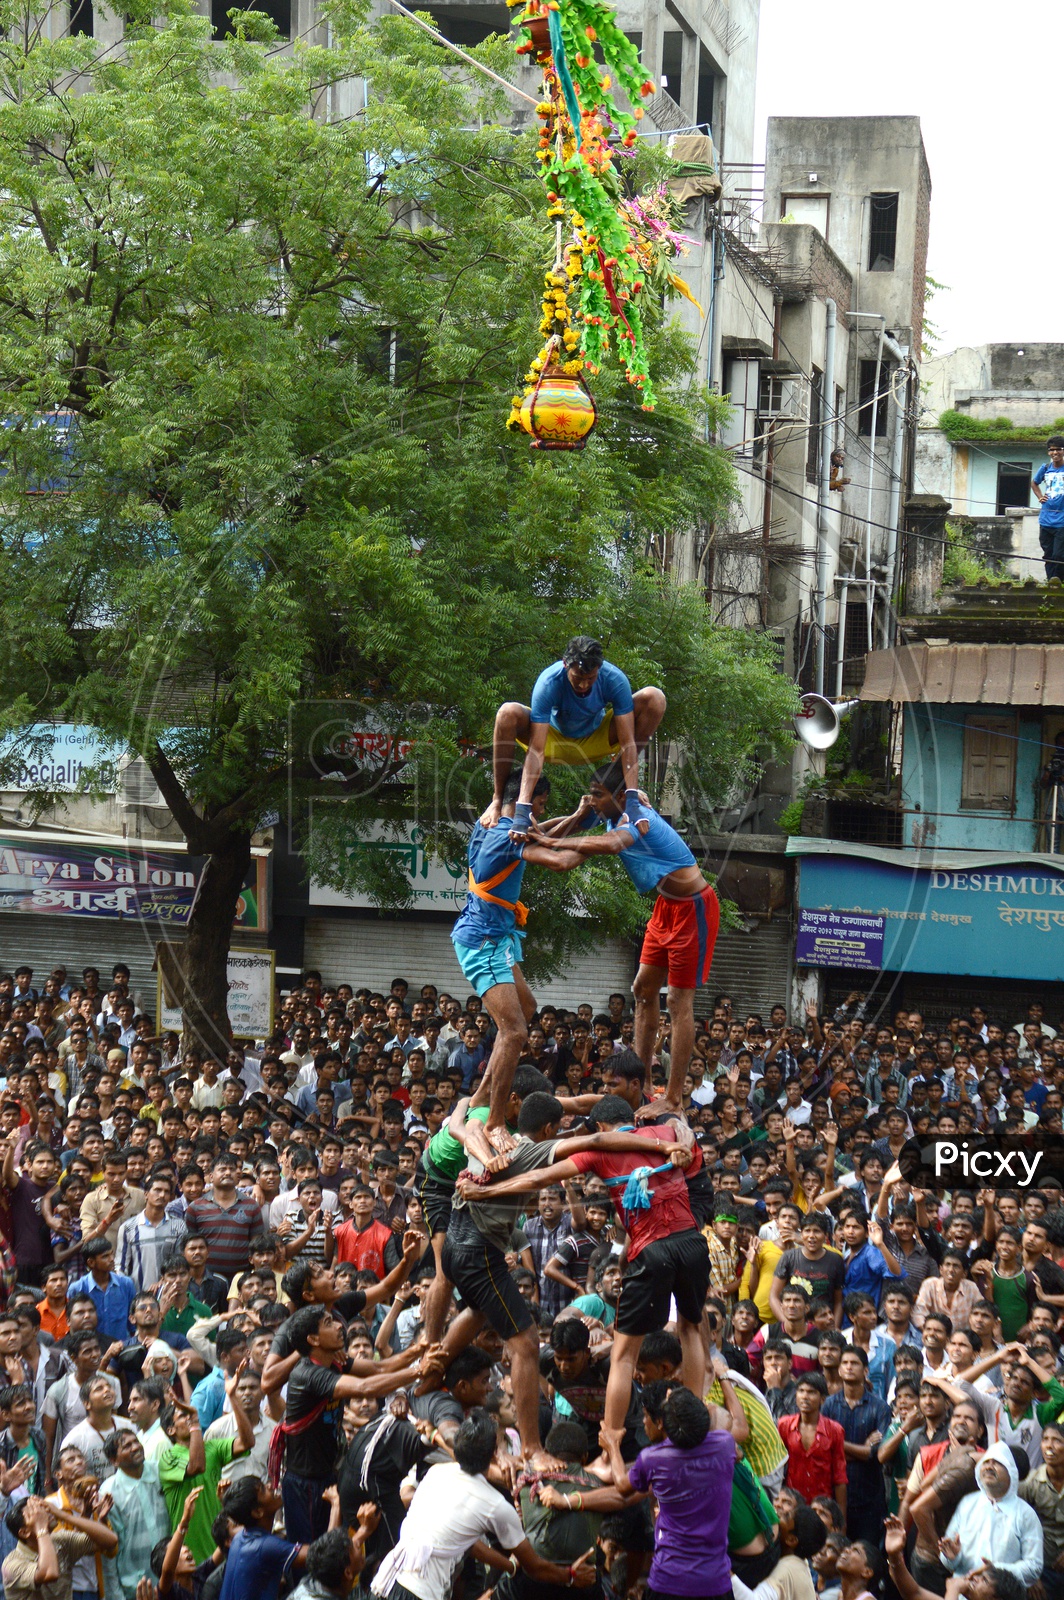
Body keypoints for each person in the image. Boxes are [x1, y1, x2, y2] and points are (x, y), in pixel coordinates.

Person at [452, 1091, 698, 1442]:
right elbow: (681, 1123)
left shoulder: (484, 1132)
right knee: (691, 1328)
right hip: (691, 1240)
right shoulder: (665, 1129)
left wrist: (486, 1191)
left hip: (650, 1250)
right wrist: (671, 1144)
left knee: (624, 1353)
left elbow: (540, 1177)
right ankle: (696, 1407)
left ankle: (610, 1437)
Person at [532, 771, 719, 1115]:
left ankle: (674, 1098)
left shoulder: (637, 817)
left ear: (620, 795)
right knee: (643, 991)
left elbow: (607, 844)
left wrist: (552, 842)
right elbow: (572, 831)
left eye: (597, 796)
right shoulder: (608, 809)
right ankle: (644, 1081)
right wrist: (542, 833)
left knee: (677, 1000)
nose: (592, 801)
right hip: (665, 907)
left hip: (693, 908)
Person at [369, 1410, 596, 1600]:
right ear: (495, 1454)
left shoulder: (435, 1473)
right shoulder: (494, 1505)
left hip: (386, 1580)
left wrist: (510, 1567)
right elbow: (535, 1567)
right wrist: (570, 1576)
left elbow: (465, 1542)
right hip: (419, 1594)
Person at [479, 637, 665, 834]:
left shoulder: (614, 679)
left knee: (655, 698)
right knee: (507, 712)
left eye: (590, 679)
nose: (584, 685)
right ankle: (497, 800)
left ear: (599, 670)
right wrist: (522, 812)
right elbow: (536, 750)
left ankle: (620, 789)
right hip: (553, 741)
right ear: (566, 665)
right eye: (578, 678)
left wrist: (632, 798)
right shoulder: (549, 682)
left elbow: (628, 744)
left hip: (596, 738)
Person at [599, 1386, 736, 1600]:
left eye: (647, 1416)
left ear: (662, 1423)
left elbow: (622, 1486)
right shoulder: (724, 1445)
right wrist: (685, 1403)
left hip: (669, 1581)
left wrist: (613, 1446)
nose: (645, 1421)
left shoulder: (653, 1458)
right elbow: (720, 1413)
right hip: (715, 1582)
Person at [939, 1443, 1043, 1586]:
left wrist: (997, 1571)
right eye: (986, 1462)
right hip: (964, 1593)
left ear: (1011, 1472)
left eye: (997, 1463)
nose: (988, 1467)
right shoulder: (967, 1504)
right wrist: (953, 1557)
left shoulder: (1025, 1514)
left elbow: (1034, 1567)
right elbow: (948, 1557)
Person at [1, 1492, 118, 1600]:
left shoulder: (60, 1541)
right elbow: (49, 1573)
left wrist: (64, 1516)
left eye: (44, 1507)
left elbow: (110, 1540)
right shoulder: (12, 1565)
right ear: (24, 1532)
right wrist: (41, 1529)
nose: (46, 1512)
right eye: (37, 1513)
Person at [100, 1428, 171, 1600]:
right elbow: (109, 1552)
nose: (135, 1448)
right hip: (136, 1587)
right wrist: (115, 1596)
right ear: (114, 1460)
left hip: (171, 1580)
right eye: (126, 1446)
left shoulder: (161, 1472)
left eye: (135, 1442)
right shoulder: (109, 1493)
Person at [1033, 436, 1064, 581]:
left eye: (1058, 449)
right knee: (1048, 555)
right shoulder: (1045, 468)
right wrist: (1040, 496)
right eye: (1052, 450)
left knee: (1059, 555)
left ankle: (1059, 582)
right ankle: (1051, 584)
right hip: (1045, 520)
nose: (1055, 452)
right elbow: (1034, 483)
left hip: (1062, 522)